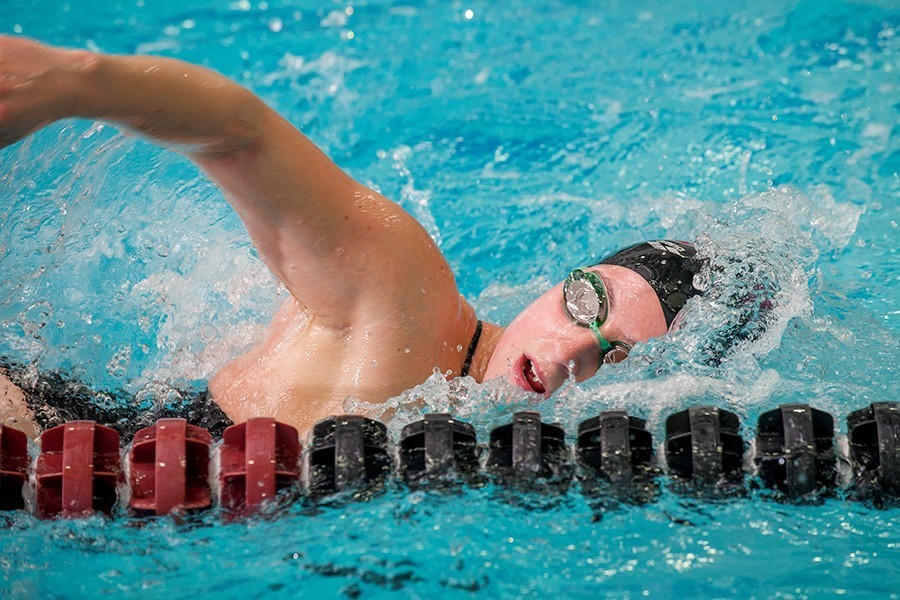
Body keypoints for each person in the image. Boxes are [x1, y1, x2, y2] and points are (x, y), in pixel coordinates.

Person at [0, 37, 702, 438]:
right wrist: (72, 81)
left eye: (617, 360)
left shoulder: (479, 431)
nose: (572, 352)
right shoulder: (405, 296)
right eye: (586, 307)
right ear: (559, 281)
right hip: (59, 439)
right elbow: (242, 135)